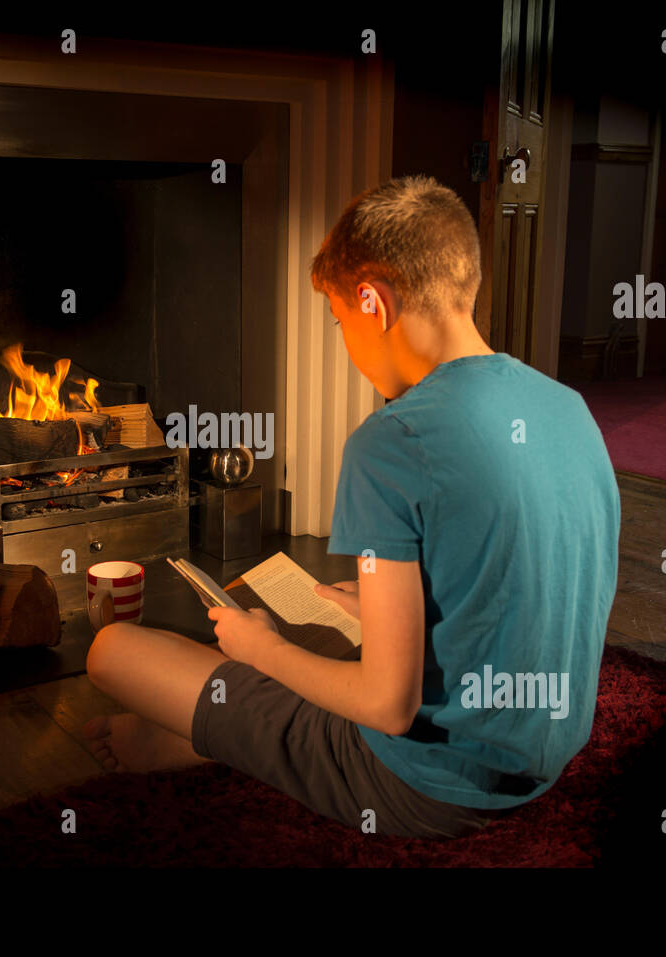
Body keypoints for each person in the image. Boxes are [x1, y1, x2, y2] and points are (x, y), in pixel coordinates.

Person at [83, 175, 620, 838]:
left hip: (426, 785)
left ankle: (179, 739)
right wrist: (380, 610)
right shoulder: (569, 408)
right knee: (323, 629)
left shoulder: (390, 441)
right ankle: (206, 728)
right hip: (544, 761)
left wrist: (264, 650)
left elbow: (387, 707)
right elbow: (532, 585)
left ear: (372, 299)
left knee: (113, 650)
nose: (346, 342)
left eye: (340, 319)